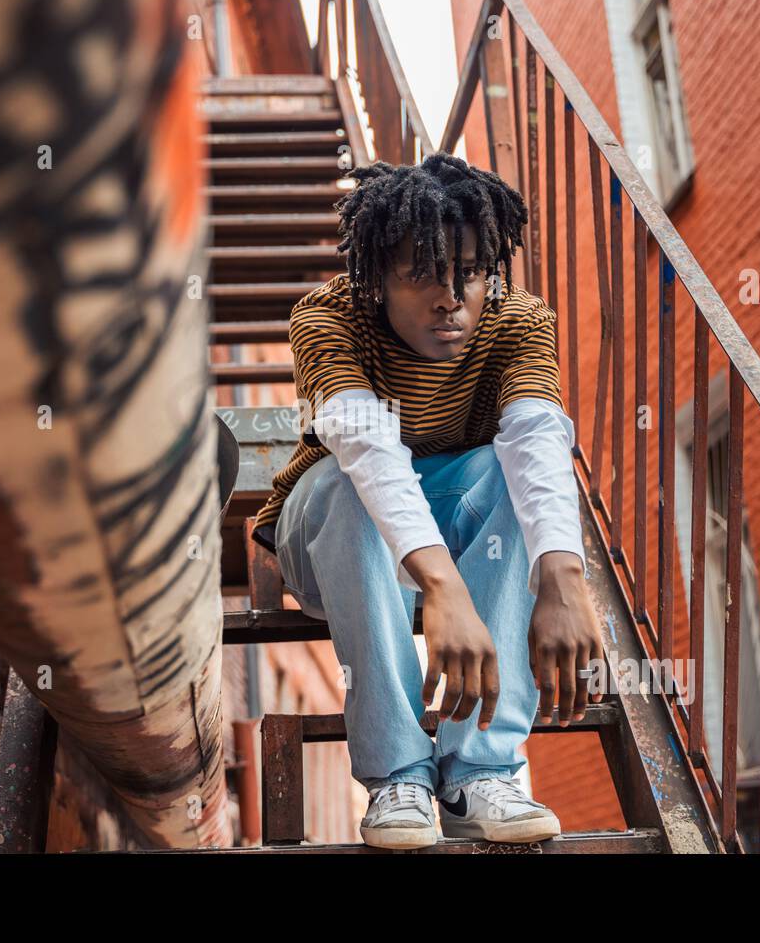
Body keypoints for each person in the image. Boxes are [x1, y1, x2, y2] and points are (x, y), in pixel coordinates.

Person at [249, 152, 605, 849]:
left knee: (512, 468)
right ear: (378, 280)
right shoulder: (327, 318)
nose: (452, 298)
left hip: (458, 530)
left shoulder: (520, 321)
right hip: (335, 543)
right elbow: (368, 449)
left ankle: (481, 771)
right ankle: (399, 777)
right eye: (423, 275)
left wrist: (565, 580)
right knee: (345, 480)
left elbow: (536, 442)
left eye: (470, 273)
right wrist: (443, 584)